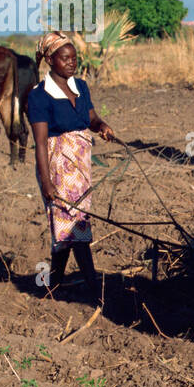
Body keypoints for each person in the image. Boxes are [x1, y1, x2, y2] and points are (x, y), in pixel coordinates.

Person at [28, 31, 117, 302]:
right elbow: (41, 143)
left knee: (66, 227)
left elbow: (90, 117)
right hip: (58, 165)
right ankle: (94, 289)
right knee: (77, 226)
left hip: (81, 165)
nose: (71, 62)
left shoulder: (80, 86)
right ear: (50, 60)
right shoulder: (39, 96)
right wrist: (46, 182)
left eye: (74, 58)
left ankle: (52, 283)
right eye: (65, 58)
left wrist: (101, 126)